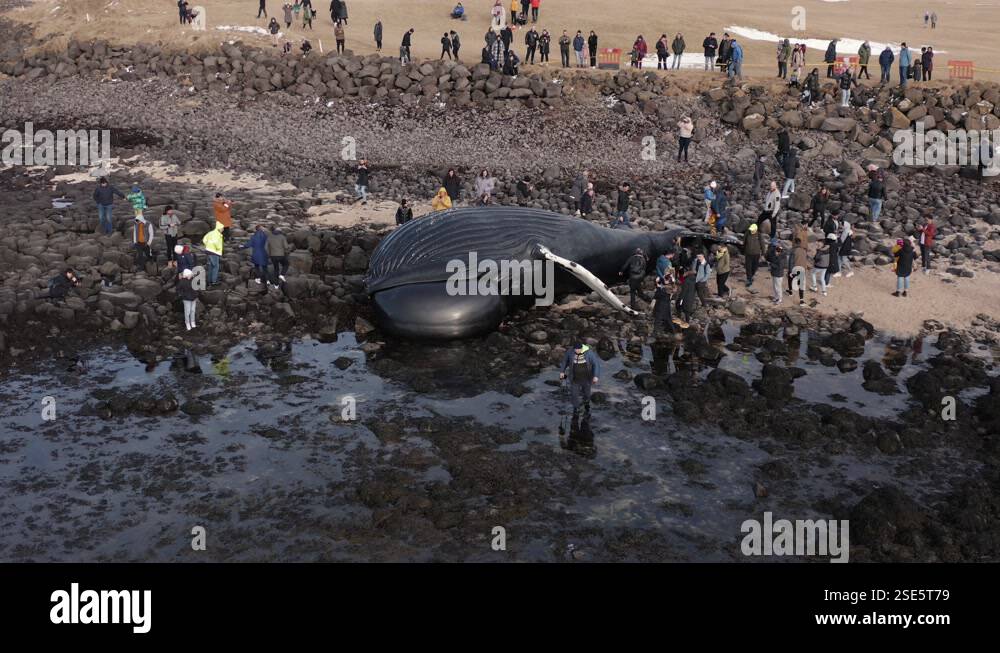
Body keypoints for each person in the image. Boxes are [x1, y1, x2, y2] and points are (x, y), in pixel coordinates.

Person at [559, 343, 601, 419]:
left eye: (579, 349)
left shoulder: (589, 353)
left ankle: (587, 406)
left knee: (587, 394)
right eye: (576, 349)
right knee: (574, 395)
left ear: (582, 348)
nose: (577, 351)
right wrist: (562, 371)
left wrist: (596, 376)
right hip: (574, 379)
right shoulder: (570, 352)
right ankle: (575, 410)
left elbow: (596, 364)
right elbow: (565, 361)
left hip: (587, 379)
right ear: (573, 348)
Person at [743, 222, 761, 286]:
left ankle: (751, 275)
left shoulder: (759, 235)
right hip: (748, 253)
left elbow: (762, 244)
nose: (751, 231)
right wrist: (743, 251)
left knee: (754, 267)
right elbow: (744, 242)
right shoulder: (747, 234)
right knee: (748, 267)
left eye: (753, 230)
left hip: (756, 254)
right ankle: (749, 279)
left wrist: (764, 253)